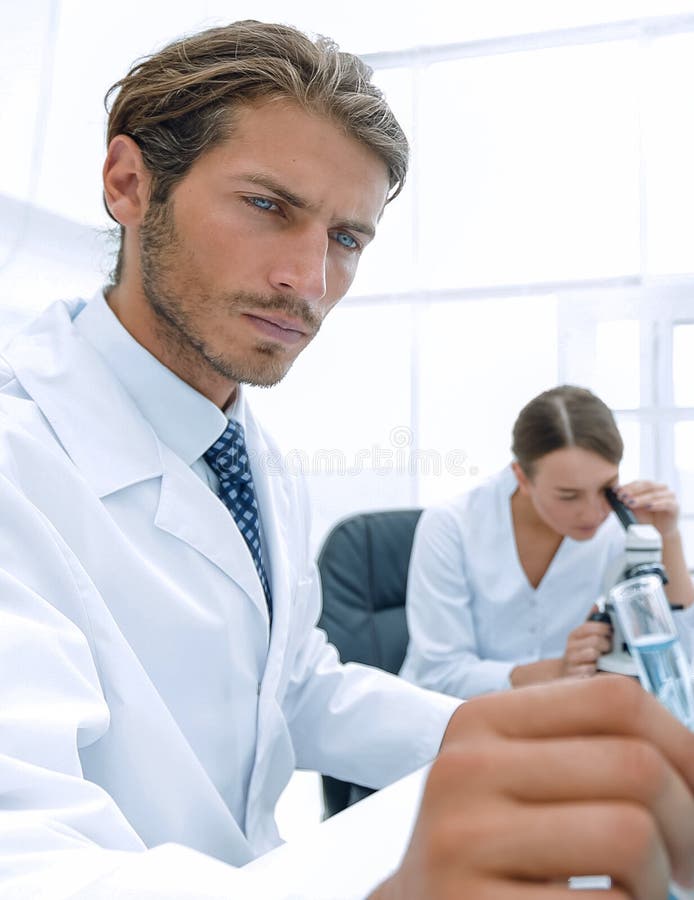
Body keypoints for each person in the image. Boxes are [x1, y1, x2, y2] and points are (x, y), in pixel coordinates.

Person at [0, 19, 693, 900]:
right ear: (130, 183)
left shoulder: (249, 452)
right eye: (267, 205)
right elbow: (23, 858)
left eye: (347, 239)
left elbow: (291, 686)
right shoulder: (17, 464)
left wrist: (505, 729)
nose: (310, 280)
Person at [401, 385, 694, 699]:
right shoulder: (451, 526)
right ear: (522, 478)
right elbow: (438, 676)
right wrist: (558, 670)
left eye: (607, 487)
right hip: (467, 718)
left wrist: (668, 537)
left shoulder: (618, 528)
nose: (593, 512)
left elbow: (681, 662)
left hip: (572, 716)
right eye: (568, 496)